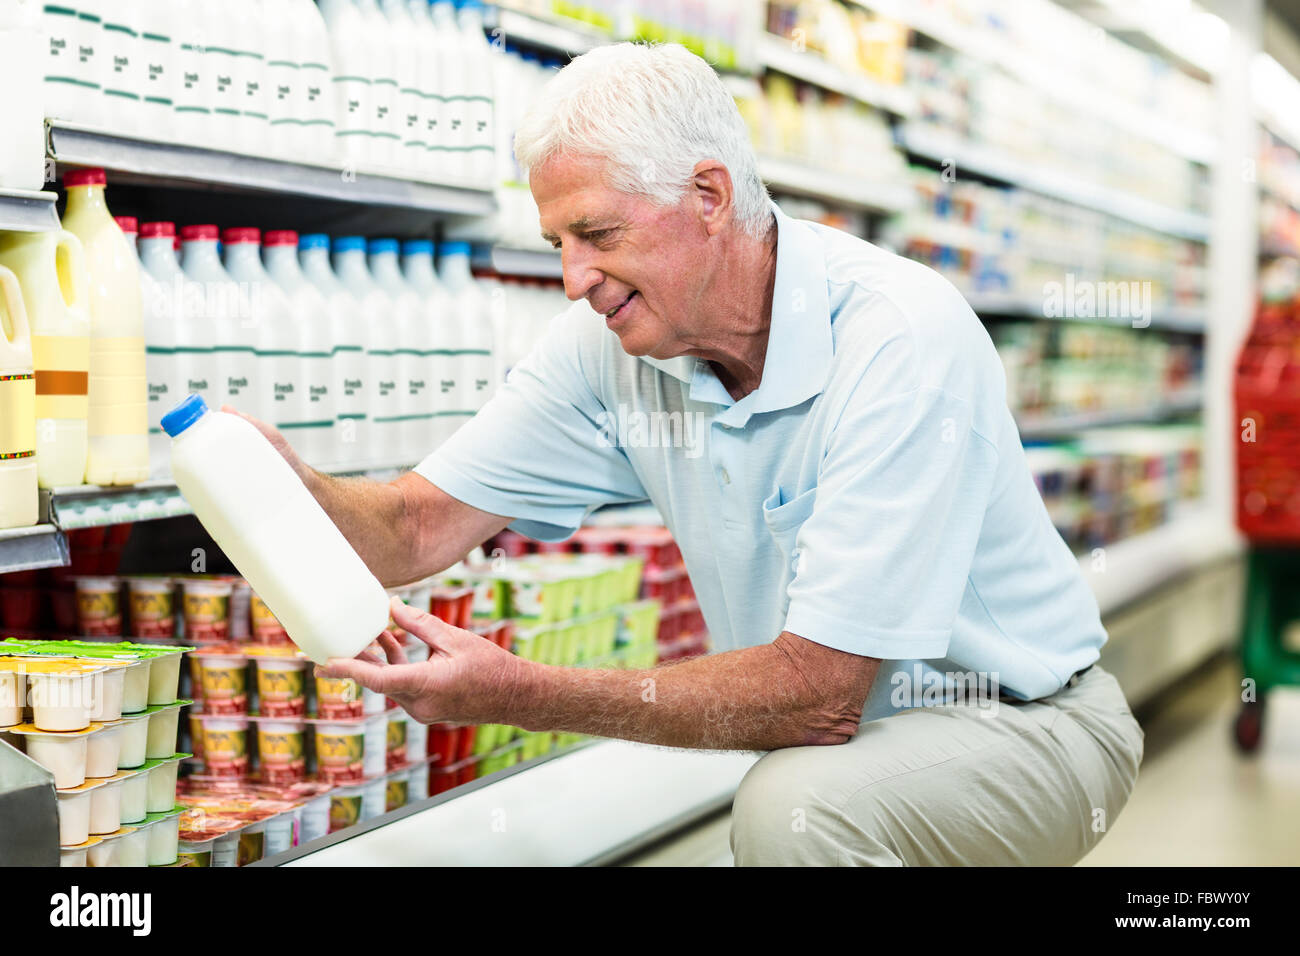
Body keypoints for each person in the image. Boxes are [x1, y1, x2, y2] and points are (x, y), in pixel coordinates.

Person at [239, 42, 1143, 866]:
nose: (574, 279)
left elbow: (818, 695)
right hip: (847, 745)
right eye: (559, 244)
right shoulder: (610, 346)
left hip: (1028, 725)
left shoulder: (899, 337)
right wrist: (289, 490)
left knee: (801, 809)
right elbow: (414, 526)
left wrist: (521, 691)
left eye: (598, 235)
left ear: (708, 198)